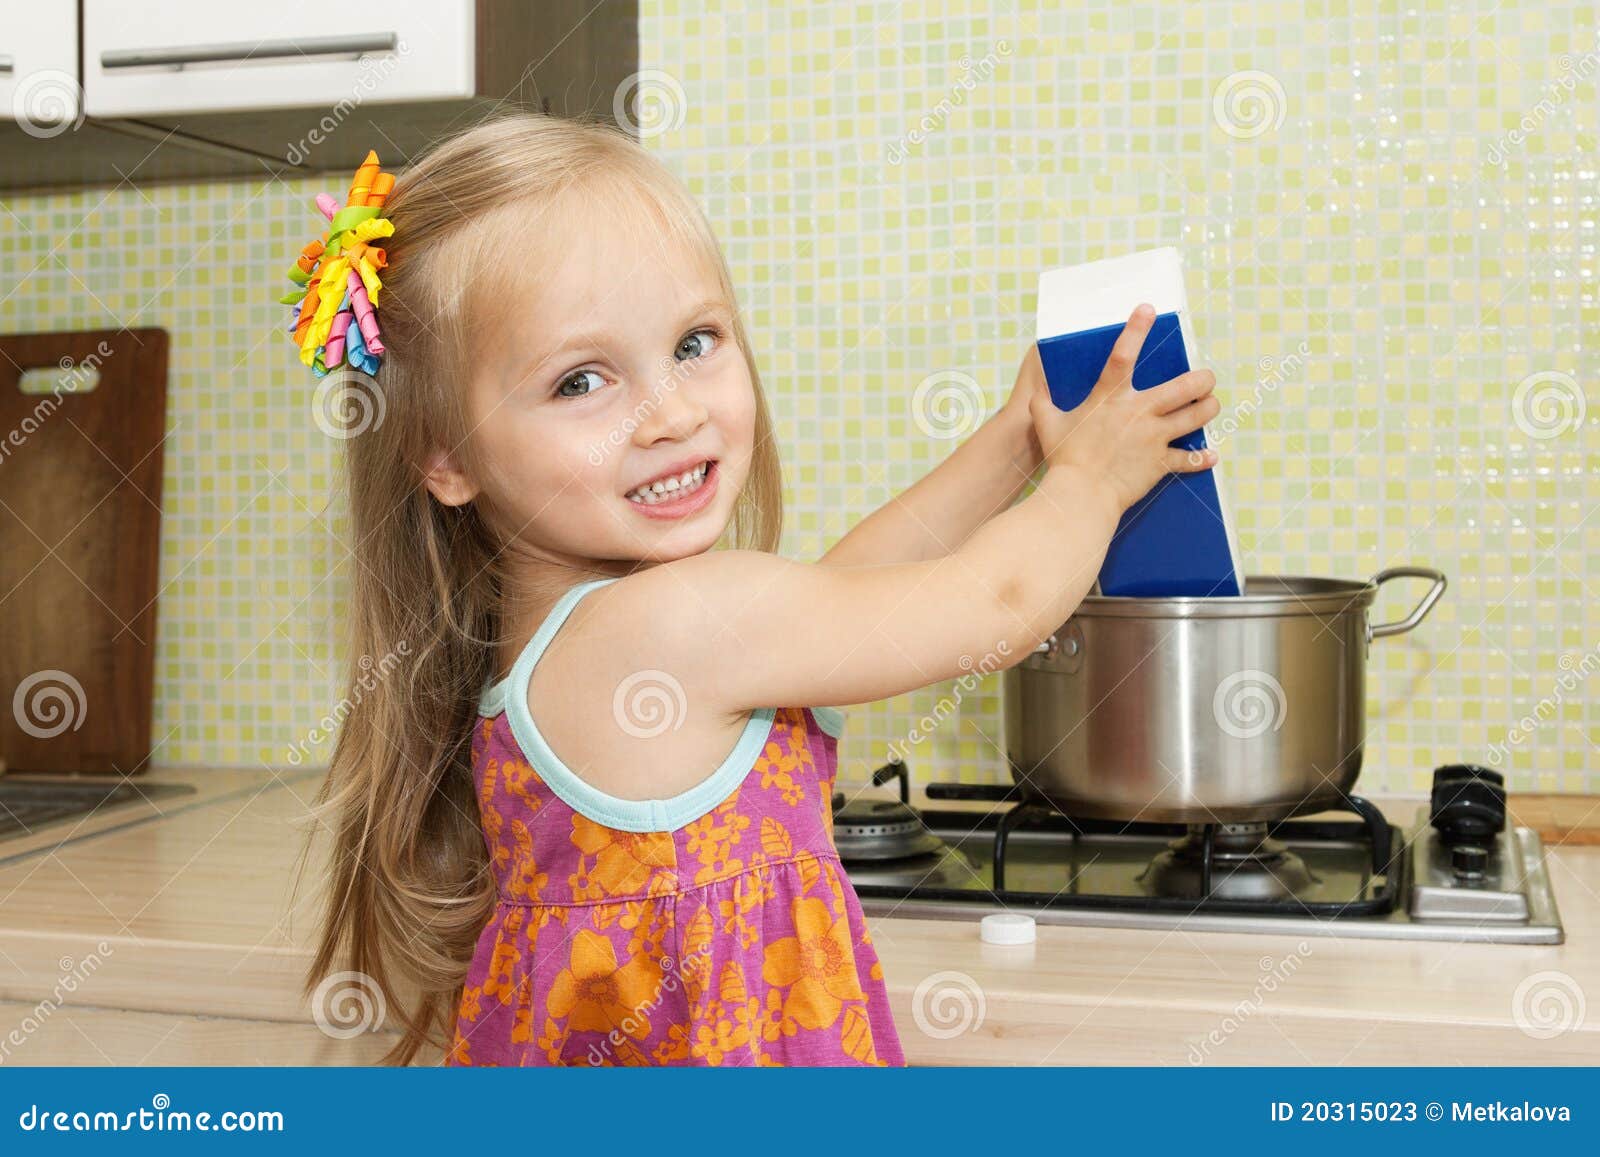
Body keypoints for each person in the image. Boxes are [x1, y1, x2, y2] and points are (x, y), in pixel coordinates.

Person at [296, 112, 1220, 1066]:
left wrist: (1016, 438)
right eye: (580, 382)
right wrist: (1092, 480)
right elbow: (999, 603)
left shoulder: (584, 635)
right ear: (446, 458)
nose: (672, 413)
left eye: (694, 342)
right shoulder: (675, 625)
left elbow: (841, 593)